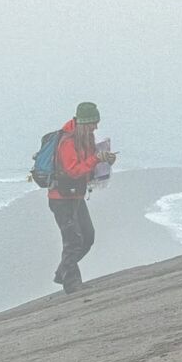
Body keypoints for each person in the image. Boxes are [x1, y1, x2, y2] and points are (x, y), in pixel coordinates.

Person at [48, 102, 116, 293]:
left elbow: (88, 166)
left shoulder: (86, 137)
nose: (96, 127)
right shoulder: (68, 141)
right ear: (85, 122)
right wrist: (97, 159)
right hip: (60, 198)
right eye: (94, 123)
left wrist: (106, 160)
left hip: (76, 195)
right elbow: (73, 170)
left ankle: (63, 272)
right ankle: (72, 284)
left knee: (87, 237)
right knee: (73, 240)